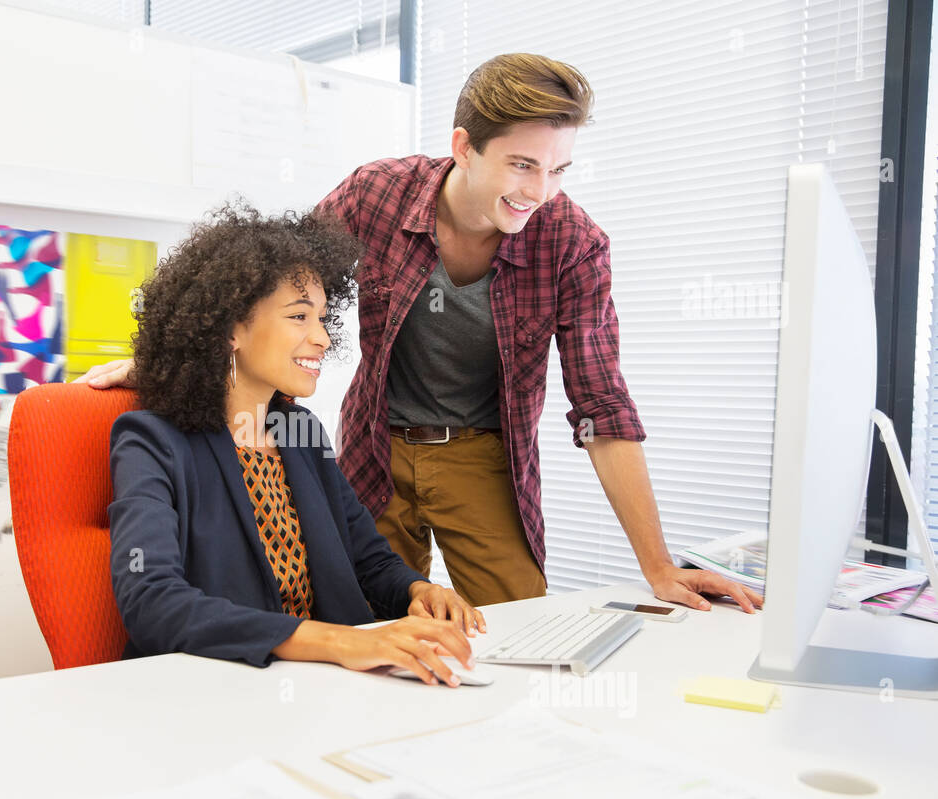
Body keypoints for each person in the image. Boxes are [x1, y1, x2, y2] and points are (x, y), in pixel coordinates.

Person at [80, 53, 762, 615]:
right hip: (375, 445)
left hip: (480, 456)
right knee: (370, 615)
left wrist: (659, 566)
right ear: (465, 146)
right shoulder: (376, 196)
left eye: (557, 170)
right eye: (523, 165)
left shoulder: (573, 245)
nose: (540, 191)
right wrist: (169, 359)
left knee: (520, 621)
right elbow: (266, 282)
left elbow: (601, 407)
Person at [108, 205, 485, 686]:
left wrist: (417, 589)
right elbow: (152, 601)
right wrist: (339, 641)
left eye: (322, 318)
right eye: (298, 316)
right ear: (229, 330)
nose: (323, 337)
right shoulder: (153, 441)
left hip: (315, 688)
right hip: (215, 691)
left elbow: (367, 556)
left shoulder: (299, 432)